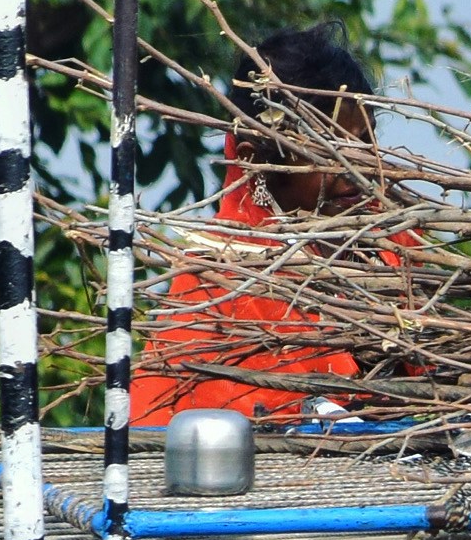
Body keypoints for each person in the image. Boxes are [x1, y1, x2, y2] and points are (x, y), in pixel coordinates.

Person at [130, 23, 389, 426]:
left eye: (365, 141)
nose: (357, 167)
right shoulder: (225, 279)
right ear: (255, 160)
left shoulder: (384, 257)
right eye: (331, 147)